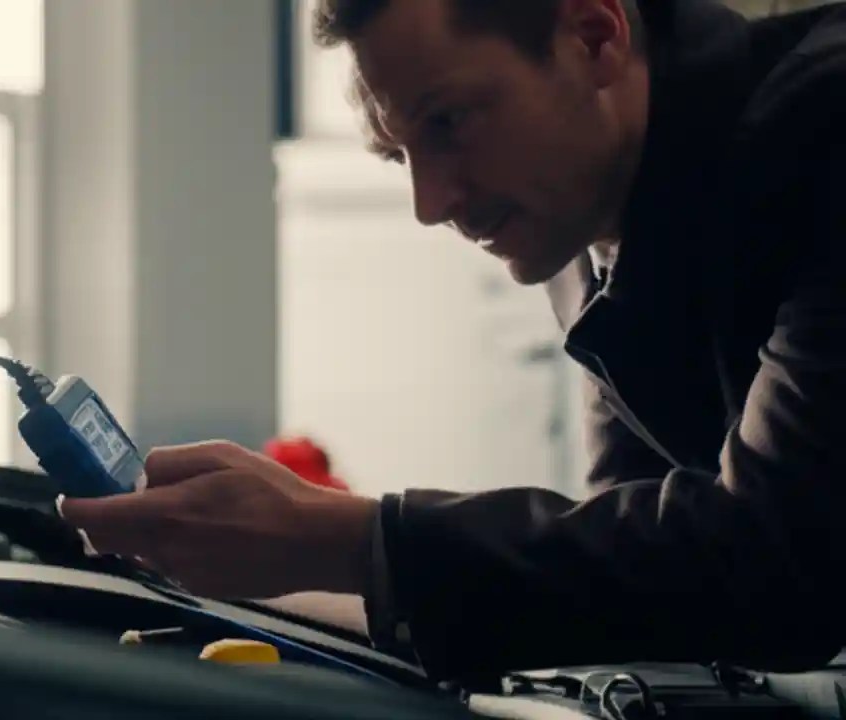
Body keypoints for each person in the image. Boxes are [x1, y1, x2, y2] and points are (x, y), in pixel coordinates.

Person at [63, 0, 846, 681]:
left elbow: (785, 562)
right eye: (399, 152)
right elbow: (645, 572)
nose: (430, 204)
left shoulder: (829, 124)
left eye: (449, 122)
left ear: (593, 35)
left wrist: (346, 539)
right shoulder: (588, 217)